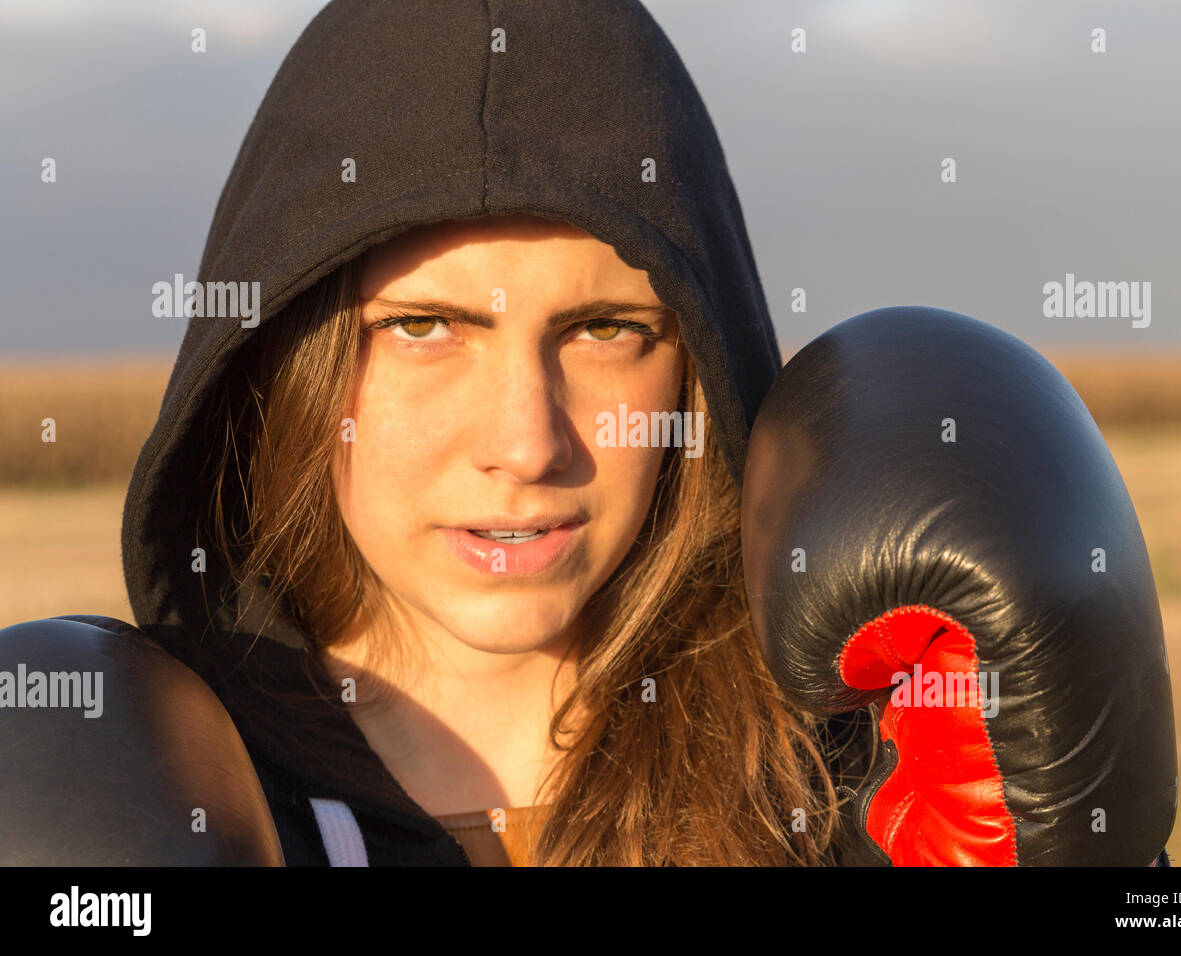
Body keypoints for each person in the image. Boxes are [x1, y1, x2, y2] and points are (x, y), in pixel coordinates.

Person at [117, 0, 867, 866]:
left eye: (605, 329)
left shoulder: (867, 788)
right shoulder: (155, 794)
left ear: (698, 370)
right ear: (287, 363)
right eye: (423, 326)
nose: (526, 446)